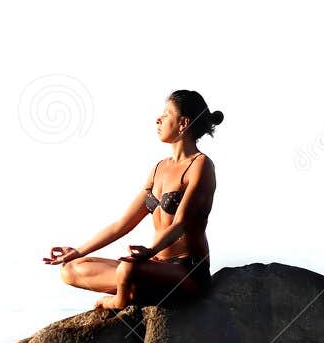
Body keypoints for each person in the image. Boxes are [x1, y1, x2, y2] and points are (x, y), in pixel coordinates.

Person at [43, 90, 223, 310]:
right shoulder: (159, 168)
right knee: (70, 269)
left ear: (183, 123)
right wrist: (78, 251)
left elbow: (181, 224)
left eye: (166, 115)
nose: (158, 119)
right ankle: (135, 288)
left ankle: (118, 300)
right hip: (154, 266)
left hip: (187, 271)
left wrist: (149, 252)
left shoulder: (201, 165)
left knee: (127, 270)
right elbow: (123, 224)